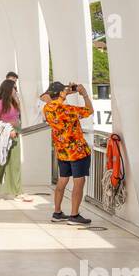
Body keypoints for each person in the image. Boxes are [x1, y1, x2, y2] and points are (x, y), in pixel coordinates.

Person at [42, 80, 94, 225]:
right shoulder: (68, 109)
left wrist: (64, 93)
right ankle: (74, 215)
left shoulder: (47, 108)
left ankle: (57, 212)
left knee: (62, 180)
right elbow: (89, 111)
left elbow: (44, 96)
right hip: (77, 152)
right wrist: (84, 94)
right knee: (79, 182)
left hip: (62, 152)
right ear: (60, 94)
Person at [0, 79, 35, 202]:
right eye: (14, 88)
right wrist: (8, 130)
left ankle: (18, 192)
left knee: (15, 165)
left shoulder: (14, 103)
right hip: (3, 139)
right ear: (8, 89)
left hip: (15, 138)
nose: (16, 90)